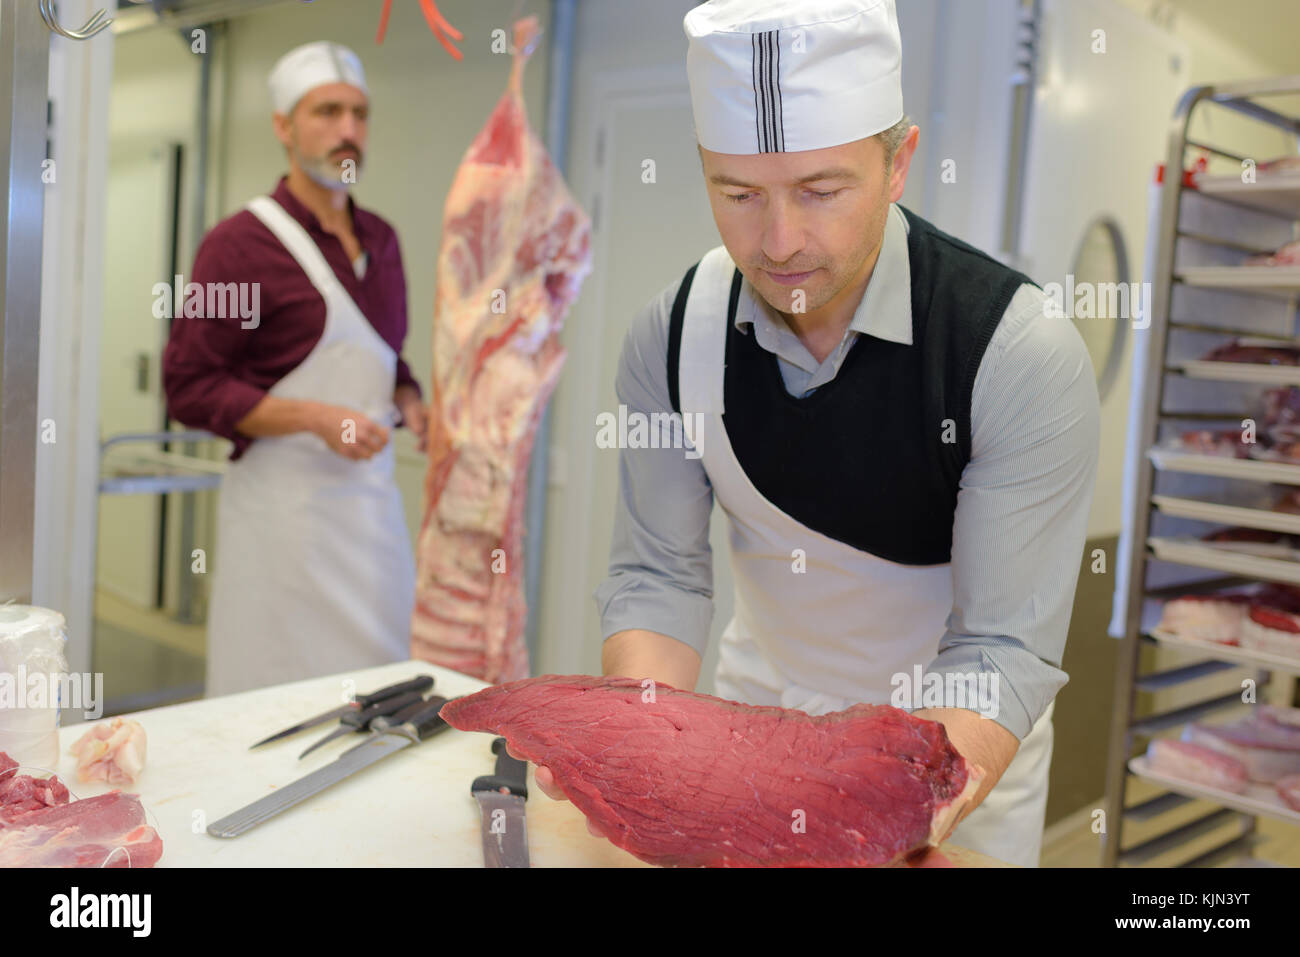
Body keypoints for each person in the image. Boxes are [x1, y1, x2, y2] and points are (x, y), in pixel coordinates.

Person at [530, 0, 1100, 867]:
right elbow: (657, 574)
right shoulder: (672, 335)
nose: (781, 241)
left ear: (899, 160)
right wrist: (644, 752)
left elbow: (999, 648)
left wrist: (885, 818)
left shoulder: (1012, 351)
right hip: (758, 729)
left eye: (822, 191)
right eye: (738, 195)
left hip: (954, 766)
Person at [162, 41, 426, 696]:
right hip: (283, 533)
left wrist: (410, 393)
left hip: (373, 524)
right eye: (327, 111)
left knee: (383, 698)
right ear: (283, 125)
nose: (348, 130)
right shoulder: (238, 245)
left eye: (359, 113)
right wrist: (314, 417)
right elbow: (189, 387)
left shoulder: (384, 241)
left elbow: (381, 351)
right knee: (275, 709)